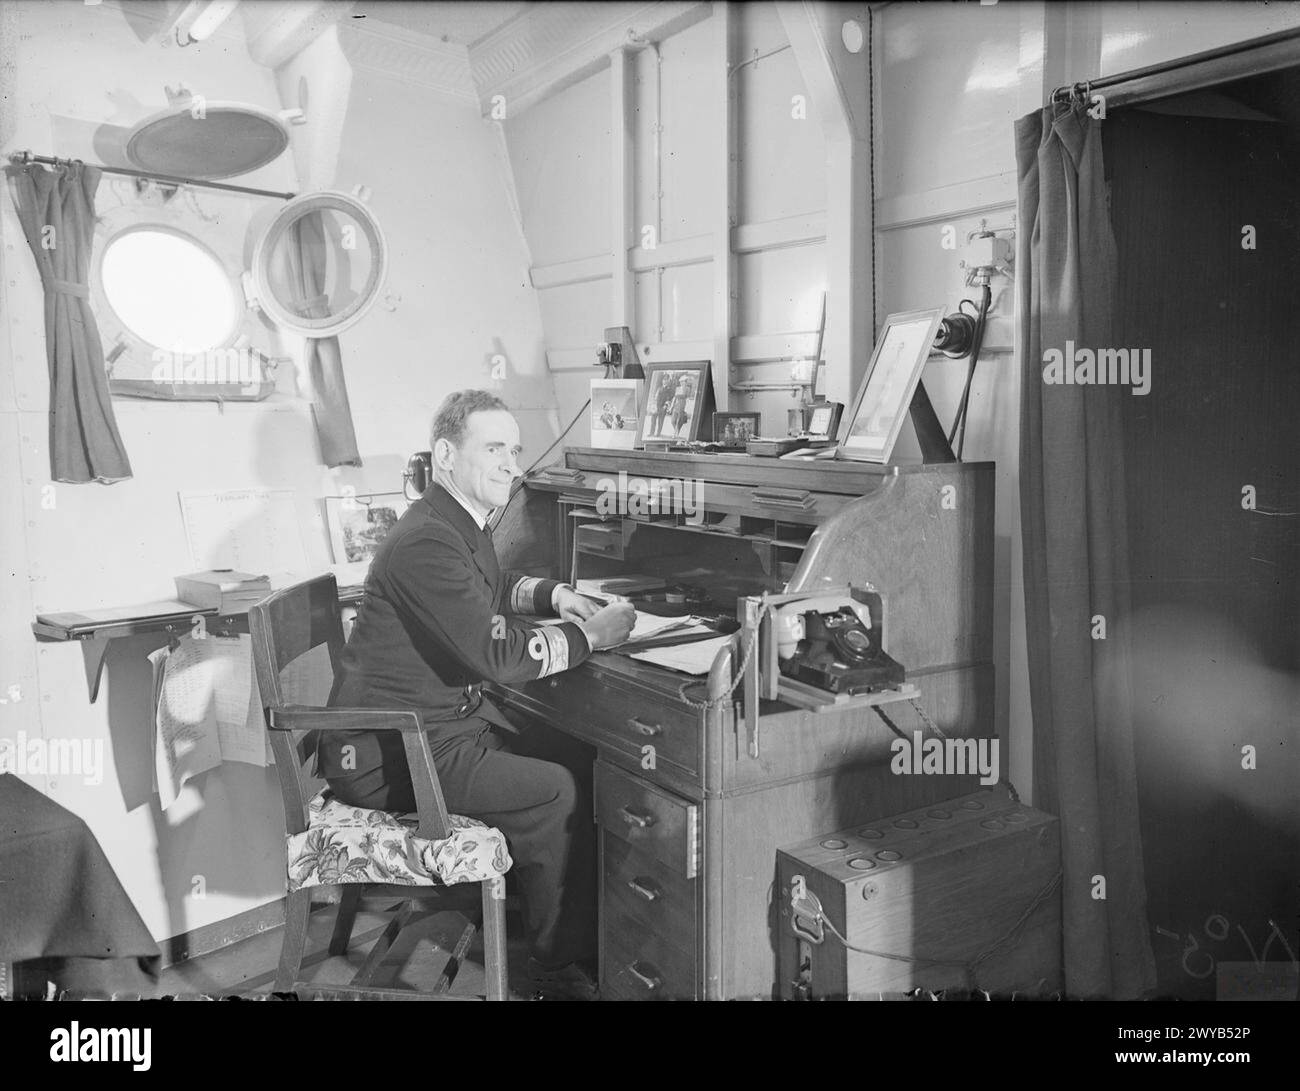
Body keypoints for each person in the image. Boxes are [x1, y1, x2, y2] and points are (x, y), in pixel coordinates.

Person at [318, 389, 636, 999]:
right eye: (494, 449)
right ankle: (556, 967)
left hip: (430, 730)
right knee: (556, 790)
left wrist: (554, 597)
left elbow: (488, 586)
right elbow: (495, 653)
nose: (512, 465)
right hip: (397, 751)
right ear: (445, 454)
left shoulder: (450, 520)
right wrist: (589, 636)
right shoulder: (428, 541)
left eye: (514, 450)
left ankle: (560, 916)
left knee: (577, 755)